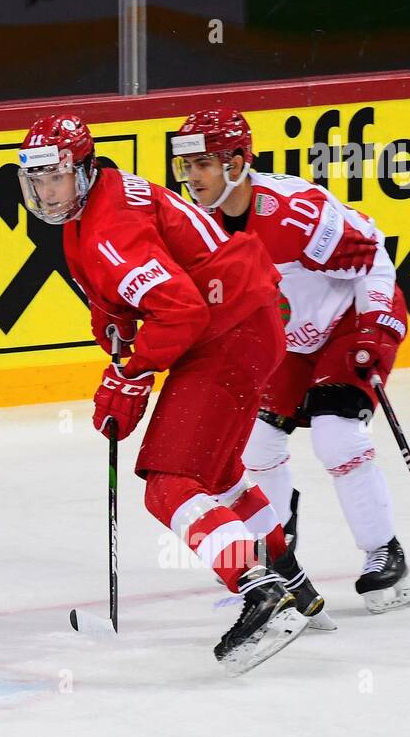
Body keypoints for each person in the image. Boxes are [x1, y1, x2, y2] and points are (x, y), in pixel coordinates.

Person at [18, 113, 328, 675]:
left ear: (84, 170)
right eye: (36, 179)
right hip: (249, 320)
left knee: (168, 485)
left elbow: (180, 309)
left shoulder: (110, 227)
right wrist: (113, 315)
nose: (44, 191)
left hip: (227, 331)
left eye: (55, 177)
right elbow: (143, 277)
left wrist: (130, 374)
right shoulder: (101, 201)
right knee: (221, 474)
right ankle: (295, 585)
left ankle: (259, 590)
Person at [172, 109, 410, 614]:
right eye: (185, 165)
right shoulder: (193, 227)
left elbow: (371, 256)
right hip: (282, 344)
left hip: (345, 325)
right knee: (256, 446)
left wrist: (375, 327)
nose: (192, 177)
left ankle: (382, 550)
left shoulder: (295, 212)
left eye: (204, 164)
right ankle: (277, 561)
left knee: (336, 433)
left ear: (238, 162)